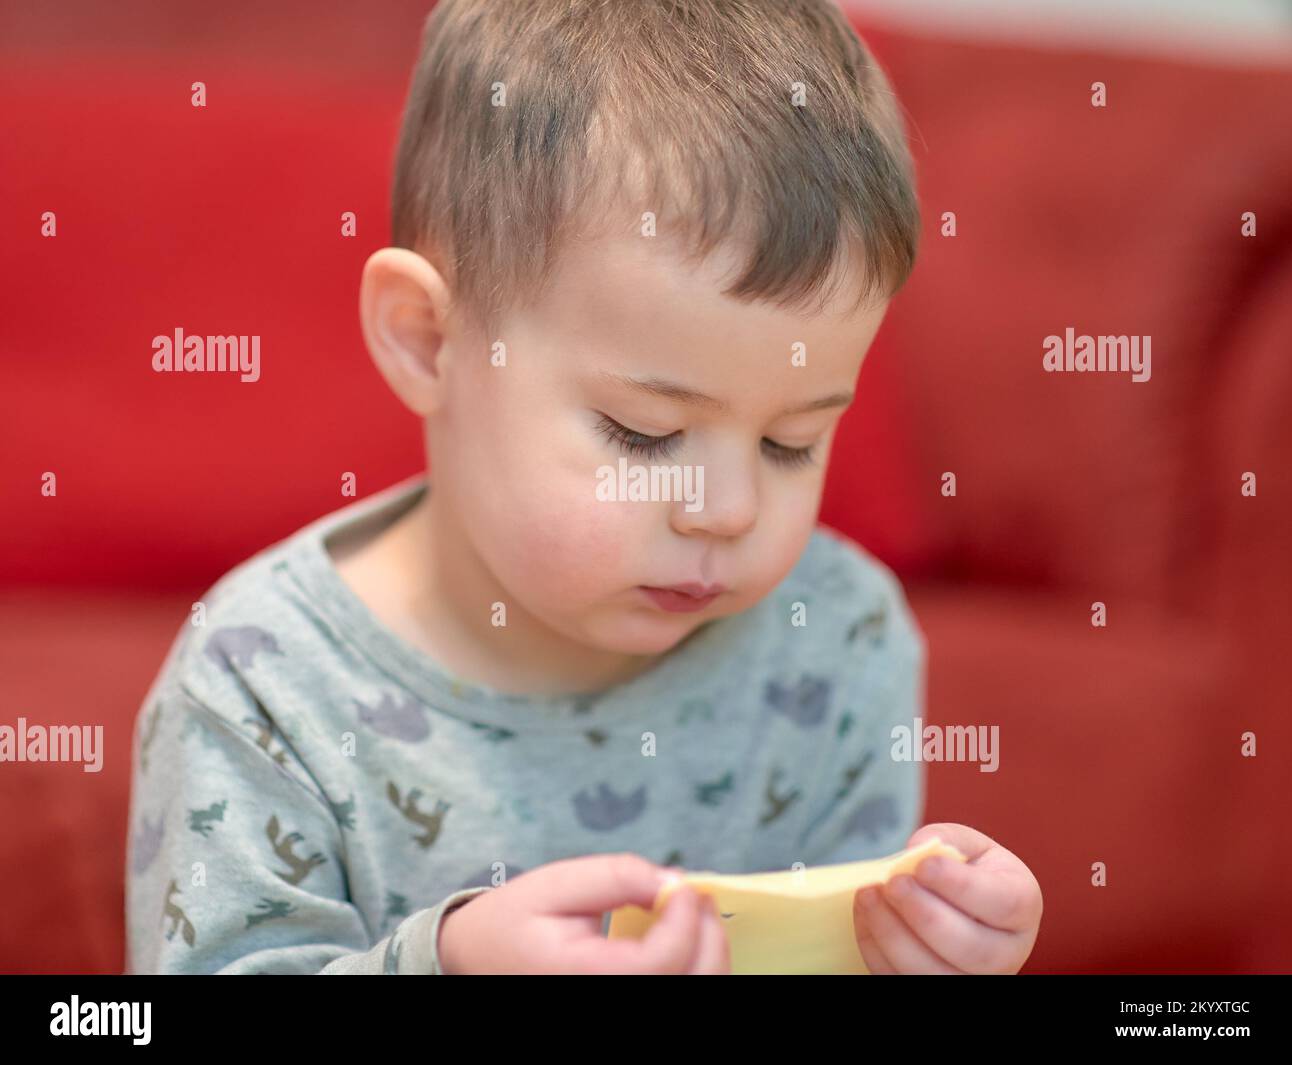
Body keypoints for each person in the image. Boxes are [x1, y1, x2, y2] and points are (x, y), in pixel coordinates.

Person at [125, 0, 1041, 975]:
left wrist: (920, 955)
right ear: (428, 339)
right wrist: (451, 966)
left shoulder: (841, 638)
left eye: (791, 441)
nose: (727, 510)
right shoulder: (260, 684)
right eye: (642, 434)